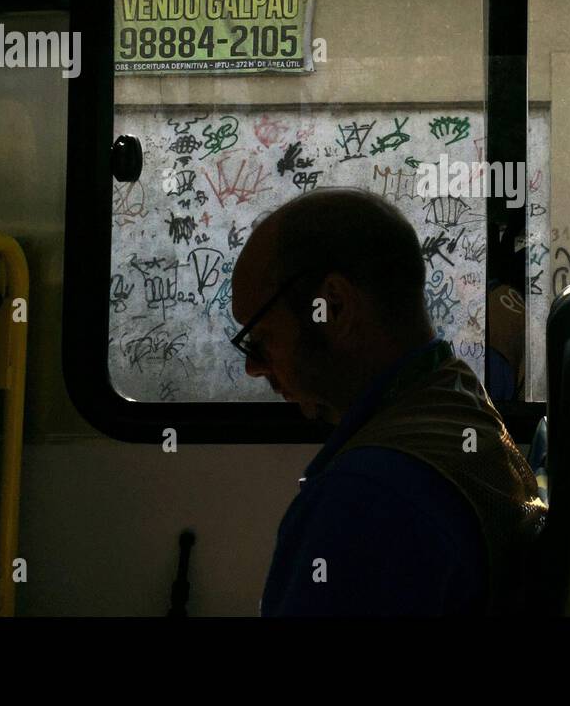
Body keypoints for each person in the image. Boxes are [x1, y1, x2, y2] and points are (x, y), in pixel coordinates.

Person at [230, 188, 545, 616]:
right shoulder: (458, 402)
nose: (253, 368)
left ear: (333, 308)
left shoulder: (367, 501)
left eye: (261, 340)